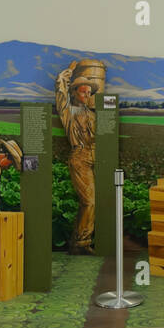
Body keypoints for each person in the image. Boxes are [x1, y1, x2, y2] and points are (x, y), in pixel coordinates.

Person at [55, 61, 101, 254]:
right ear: (74, 92)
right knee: (89, 201)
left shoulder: (92, 114)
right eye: (83, 92)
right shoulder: (68, 112)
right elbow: (60, 88)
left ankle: (83, 240)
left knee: (96, 200)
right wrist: (70, 72)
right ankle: (80, 243)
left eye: (89, 93)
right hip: (80, 158)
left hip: (96, 156)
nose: (86, 95)